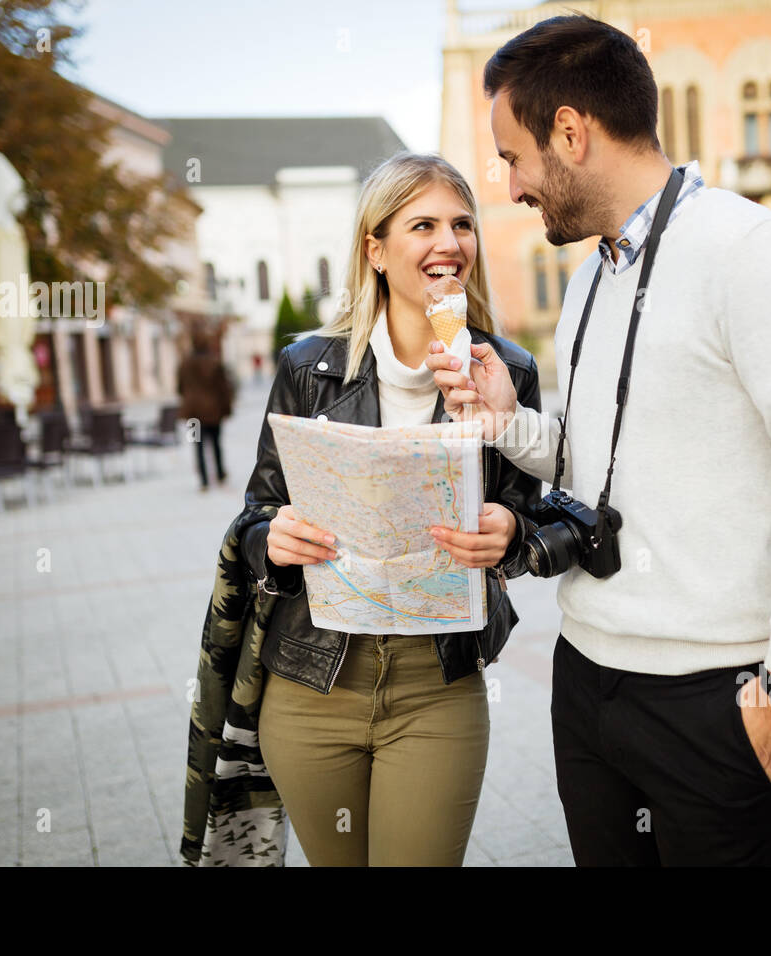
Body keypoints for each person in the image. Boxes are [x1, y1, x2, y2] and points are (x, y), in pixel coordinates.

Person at [428, 14, 771, 866]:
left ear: (571, 133)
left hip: (713, 700)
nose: (512, 185)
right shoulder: (588, 280)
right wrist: (507, 423)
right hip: (587, 681)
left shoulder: (752, 253)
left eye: (513, 157)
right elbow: (597, 456)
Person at [238, 152, 543, 866]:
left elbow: (538, 511)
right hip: (312, 682)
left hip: (436, 686)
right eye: (423, 226)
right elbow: (256, 514)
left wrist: (512, 533)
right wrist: (273, 540)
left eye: (462, 224)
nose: (449, 243)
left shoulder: (506, 369)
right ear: (375, 250)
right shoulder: (308, 367)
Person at [177, 328, 233, 491]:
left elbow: (179, 387)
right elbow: (224, 388)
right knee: (216, 443)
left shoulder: (184, 363)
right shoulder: (214, 362)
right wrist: (227, 408)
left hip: (193, 413)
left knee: (197, 444)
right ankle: (220, 474)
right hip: (213, 410)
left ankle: (204, 480)